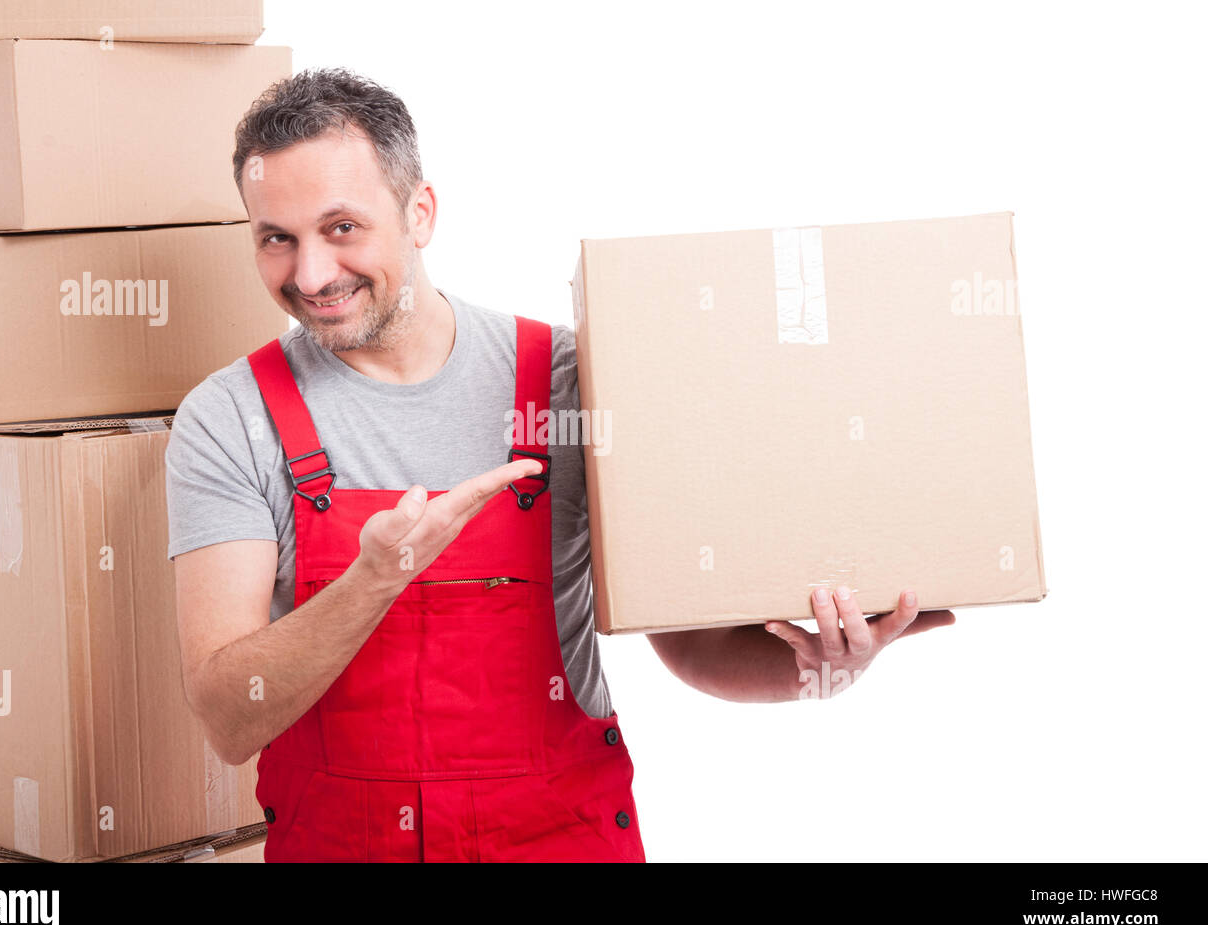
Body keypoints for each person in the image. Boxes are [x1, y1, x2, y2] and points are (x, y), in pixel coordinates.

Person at [165, 68, 956, 863]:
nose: (310, 275)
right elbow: (230, 717)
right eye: (278, 238)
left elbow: (693, 649)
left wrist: (821, 668)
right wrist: (375, 577)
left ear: (420, 213)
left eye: (342, 227)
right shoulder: (232, 418)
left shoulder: (573, 385)